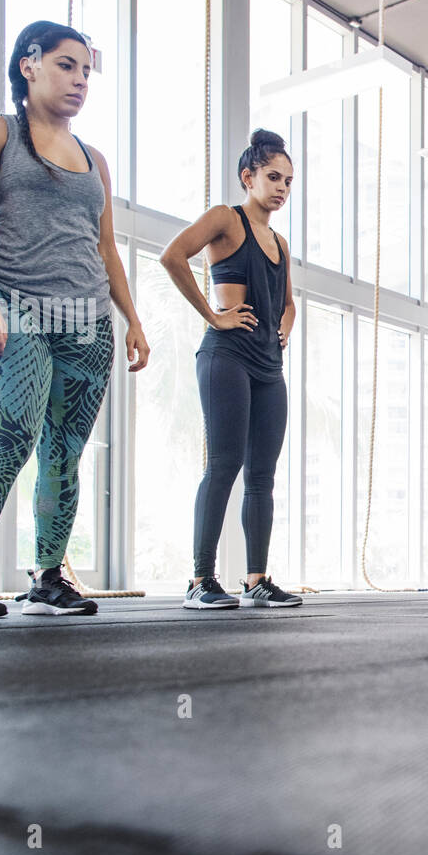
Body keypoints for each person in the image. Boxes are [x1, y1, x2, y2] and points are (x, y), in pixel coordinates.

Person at [0, 20, 151, 620]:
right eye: (65, 65)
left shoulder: (94, 159)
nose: (80, 79)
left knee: (64, 453)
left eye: (85, 70)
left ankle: (47, 578)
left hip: (86, 320)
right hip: (14, 303)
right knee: (12, 438)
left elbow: (105, 247)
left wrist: (131, 319)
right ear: (29, 65)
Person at [160, 130, 302, 610]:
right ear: (249, 177)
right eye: (273, 177)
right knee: (224, 466)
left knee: (262, 475)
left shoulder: (280, 242)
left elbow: (288, 304)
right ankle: (200, 579)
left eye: (288, 180)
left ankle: (256, 579)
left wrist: (283, 328)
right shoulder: (226, 218)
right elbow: (172, 256)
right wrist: (212, 314)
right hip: (226, 356)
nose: (282, 188)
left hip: (268, 365)